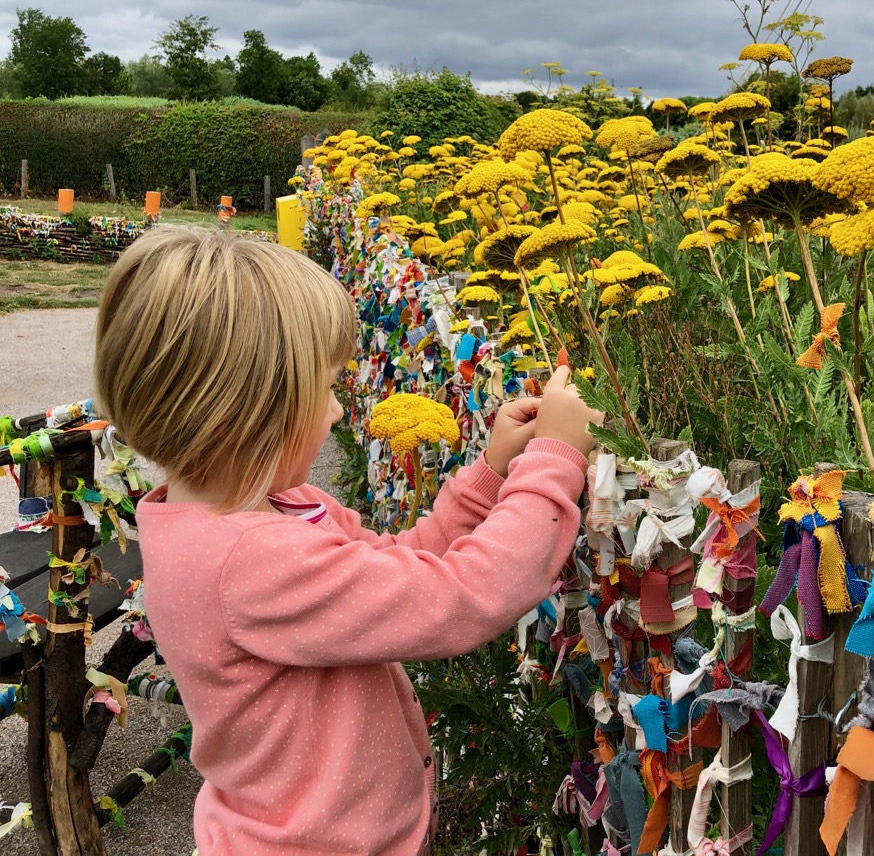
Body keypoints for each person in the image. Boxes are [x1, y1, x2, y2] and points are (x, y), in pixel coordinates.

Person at [93, 227, 602, 856]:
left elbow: (403, 569)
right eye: (327, 388)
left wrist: (491, 477)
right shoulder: (250, 561)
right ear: (249, 411)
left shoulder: (275, 511)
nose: (337, 413)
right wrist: (555, 460)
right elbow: (462, 596)